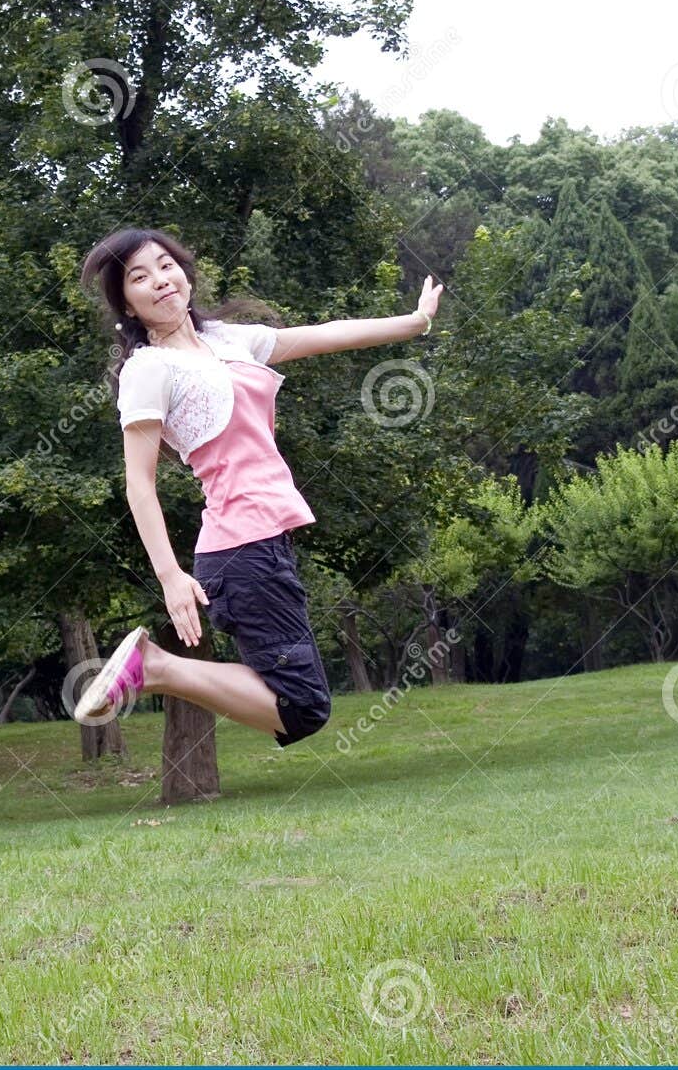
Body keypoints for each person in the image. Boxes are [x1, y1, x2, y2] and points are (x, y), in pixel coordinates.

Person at [73, 227, 442, 747]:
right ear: (127, 306)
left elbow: (328, 333)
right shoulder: (148, 369)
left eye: (165, 265)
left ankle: (157, 669)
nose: (159, 281)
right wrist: (170, 576)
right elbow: (139, 483)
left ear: (184, 272)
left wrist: (415, 322)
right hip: (238, 550)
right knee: (303, 709)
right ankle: (155, 669)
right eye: (139, 277)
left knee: (298, 700)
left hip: (266, 542)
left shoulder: (228, 340)